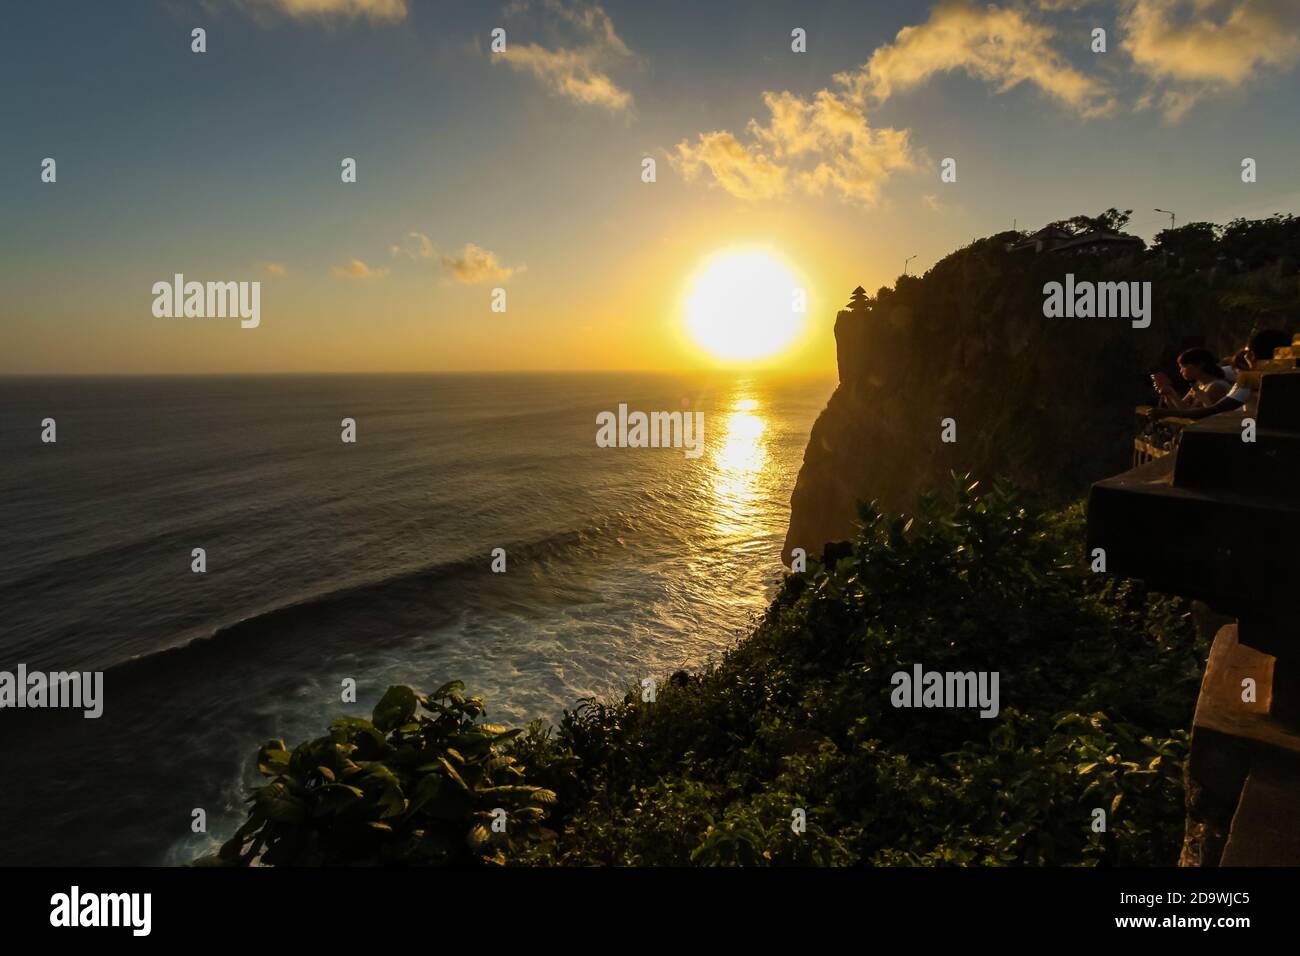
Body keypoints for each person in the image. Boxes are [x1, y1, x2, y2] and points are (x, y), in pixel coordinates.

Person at [1151, 329, 1291, 420]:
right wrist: (1169, 393)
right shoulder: (1285, 377)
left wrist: (1165, 413)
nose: (1246, 357)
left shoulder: (1249, 380)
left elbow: (1213, 410)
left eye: (1249, 353)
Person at [1152, 348, 1229, 410]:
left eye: (1184, 366)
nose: (1181, 371)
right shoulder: (1198, 385)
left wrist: (1172, 392)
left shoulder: (1216, 387)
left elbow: (1189, 413)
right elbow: (1179, 408)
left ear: (1200, 365)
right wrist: (1167, 394)